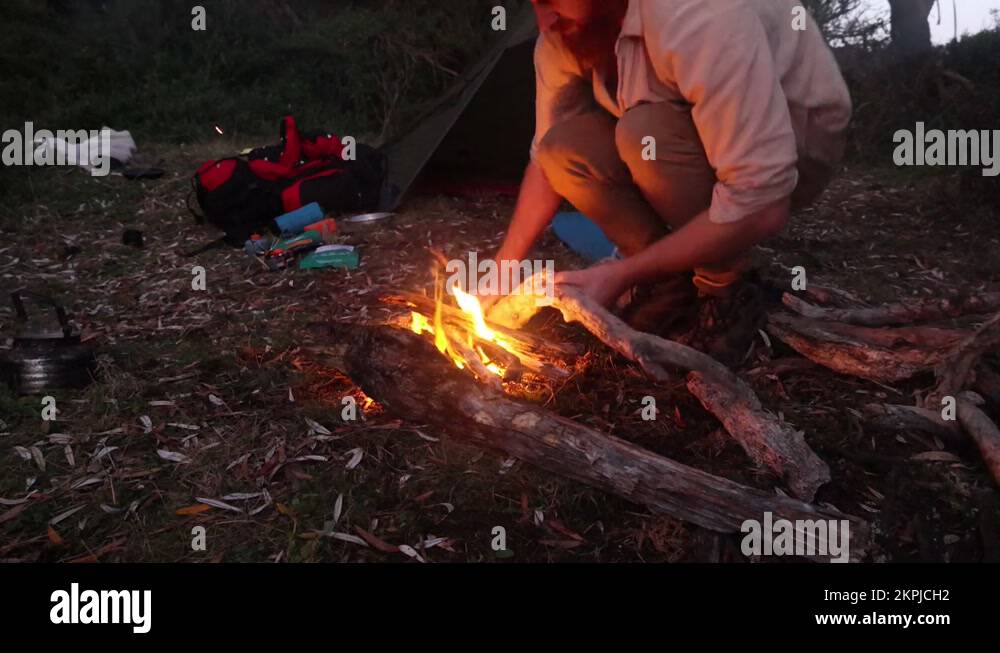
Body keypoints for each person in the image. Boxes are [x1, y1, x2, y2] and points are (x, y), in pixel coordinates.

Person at [485, 0, 852, 364]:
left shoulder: (698, 14)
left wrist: (621, 273)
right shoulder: (566, 31)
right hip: (681, 131)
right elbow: (545, 157)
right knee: (563, 149)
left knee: (646, 135)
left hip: (793, 145)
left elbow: (764, 203)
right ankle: (667, 283)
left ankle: (725, 290)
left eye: (550, 0)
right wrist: (501, 270)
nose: (543, 19)